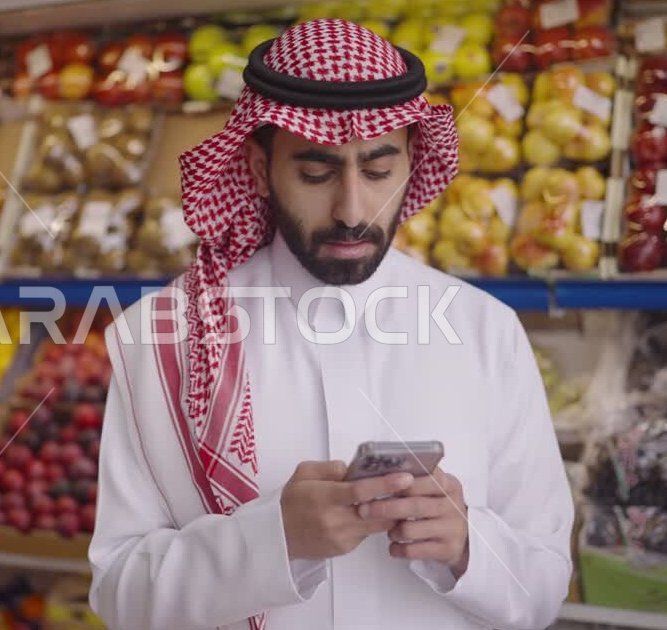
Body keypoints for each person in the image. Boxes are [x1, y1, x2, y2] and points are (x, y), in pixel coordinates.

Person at [87, 19, 574, 630]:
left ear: (412, 163)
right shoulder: (162, 339)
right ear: (260, 170)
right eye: (315, 174)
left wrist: (469, 546)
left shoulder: (486, 331)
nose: (352, 211)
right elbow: (120, 594)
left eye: (377, 172)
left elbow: (547, 582)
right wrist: (275, 541)